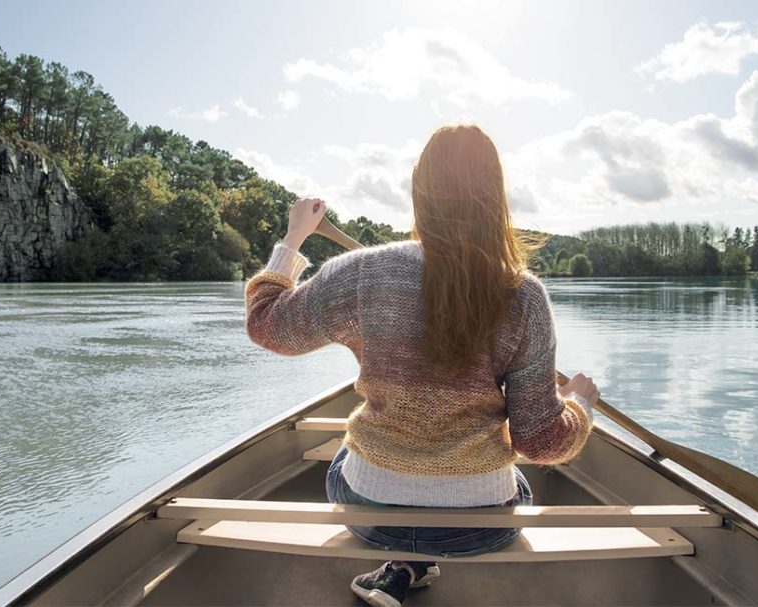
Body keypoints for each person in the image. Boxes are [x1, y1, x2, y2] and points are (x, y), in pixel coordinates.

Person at [245, 124, 598, 607]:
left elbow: (268, 326)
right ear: (495, 197)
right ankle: (409, 563)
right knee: (518, 481)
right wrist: (579, 404)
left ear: (420, 191)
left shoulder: (362, 271)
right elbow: (539, 443)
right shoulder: (524, 295)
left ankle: (403, 564)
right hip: (480, 528)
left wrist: (293, 237)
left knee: (347, 459)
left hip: (368, 510)